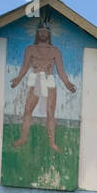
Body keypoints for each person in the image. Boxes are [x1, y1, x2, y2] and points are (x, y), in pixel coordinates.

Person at [10, 21, 76, 152]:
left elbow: (61, 71)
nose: (43, 33)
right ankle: (23, 138)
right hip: (35, 80)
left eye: (45, 31)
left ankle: (52, 143)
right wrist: (18, 79)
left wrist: (67, 83)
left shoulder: (55, 51)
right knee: (28, 110)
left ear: (49, 33)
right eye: (40, 31)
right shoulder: (30, 49)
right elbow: (24, 67)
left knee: (50, 112)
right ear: (37, 33)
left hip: (49, 80)